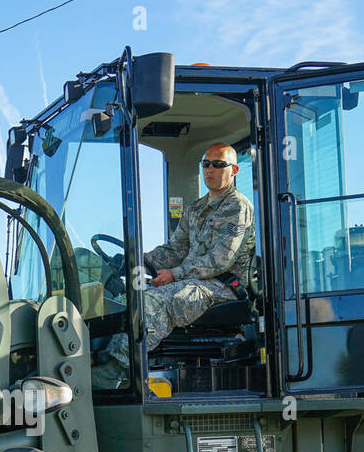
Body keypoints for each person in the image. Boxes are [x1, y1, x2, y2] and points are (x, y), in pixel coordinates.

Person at [93, 143, 255, 388]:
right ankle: (99, 358)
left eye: (218, 164)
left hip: (222, 287)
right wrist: (136, 261)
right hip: (193, 280)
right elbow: (175, 250)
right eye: (206, 164)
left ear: (233, 170)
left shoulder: (237, 206)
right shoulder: (196, 209)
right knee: (127, 298)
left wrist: (175, 275)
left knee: (151, 302)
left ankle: (111, 375)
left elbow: (221, 259)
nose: (210, 169)